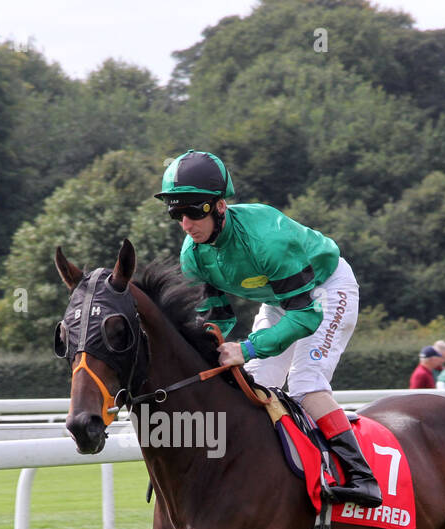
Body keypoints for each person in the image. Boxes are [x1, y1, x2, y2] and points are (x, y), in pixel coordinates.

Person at [157, 149, 380, 507]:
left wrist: (245, 349)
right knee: (259, 389)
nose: (186, 224)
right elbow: (219, 318)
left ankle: (362, 477)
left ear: (219, 206)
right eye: (176, 213)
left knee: (306, 385)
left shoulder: (267, 241)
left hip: (326, 290)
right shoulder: (193, 256)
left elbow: (306, 316)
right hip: (282, 300)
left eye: (194, 211)